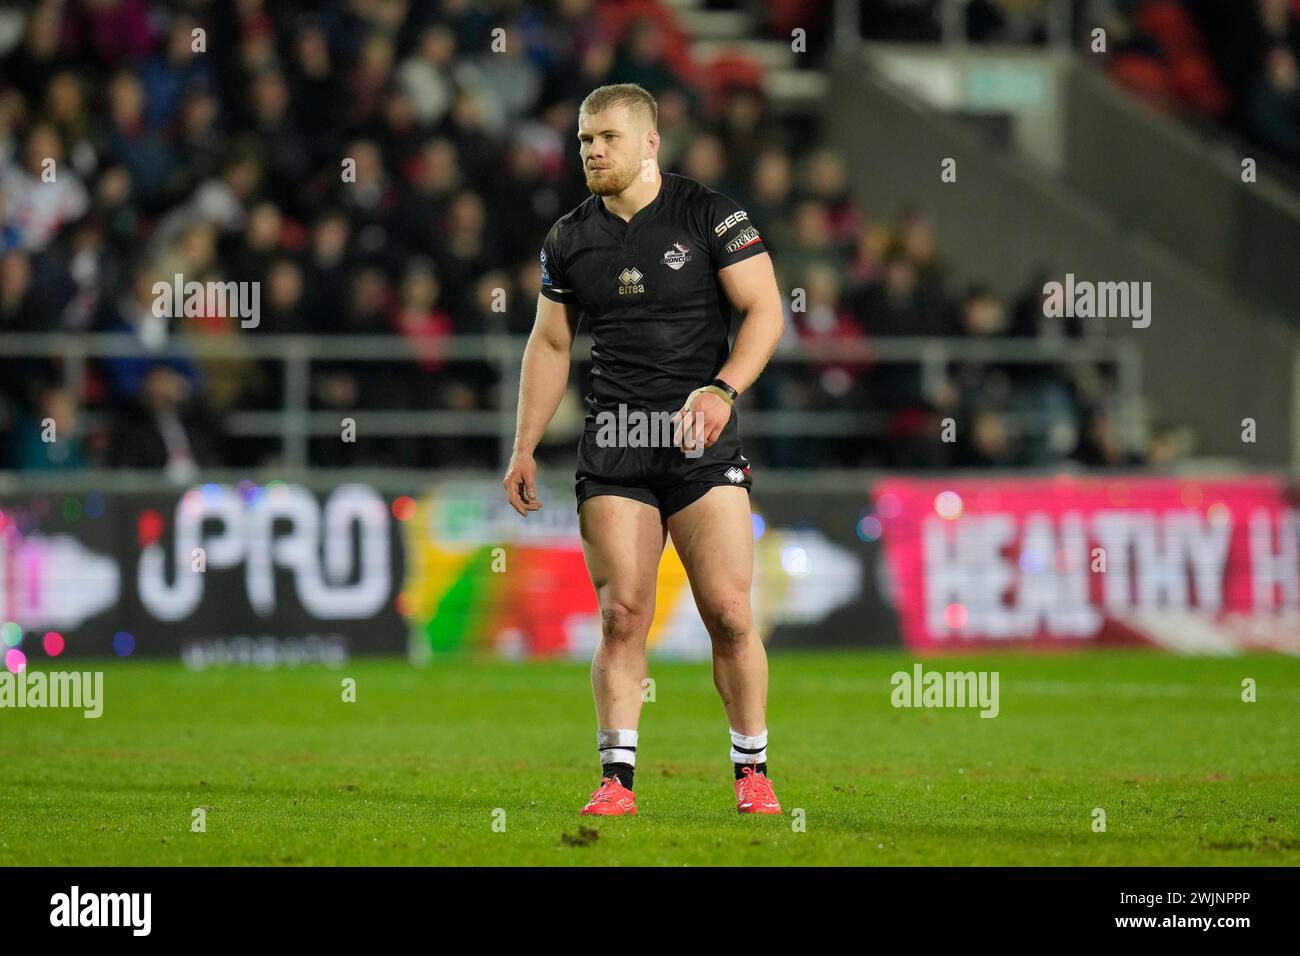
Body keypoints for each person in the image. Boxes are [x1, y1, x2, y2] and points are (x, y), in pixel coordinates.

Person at [502, 83, 785, 817]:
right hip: (615, 447)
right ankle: (617, 780)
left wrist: (722, 390)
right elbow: (552, 342)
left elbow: (764, 310)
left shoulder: (709, 214)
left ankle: (752, 770)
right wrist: (525, 443)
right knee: (623, 615)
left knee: (727, 611)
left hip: (700, 443)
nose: (593, 150)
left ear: (650, 142)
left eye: (607, 138)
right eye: (584, 139)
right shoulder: (569, 237)